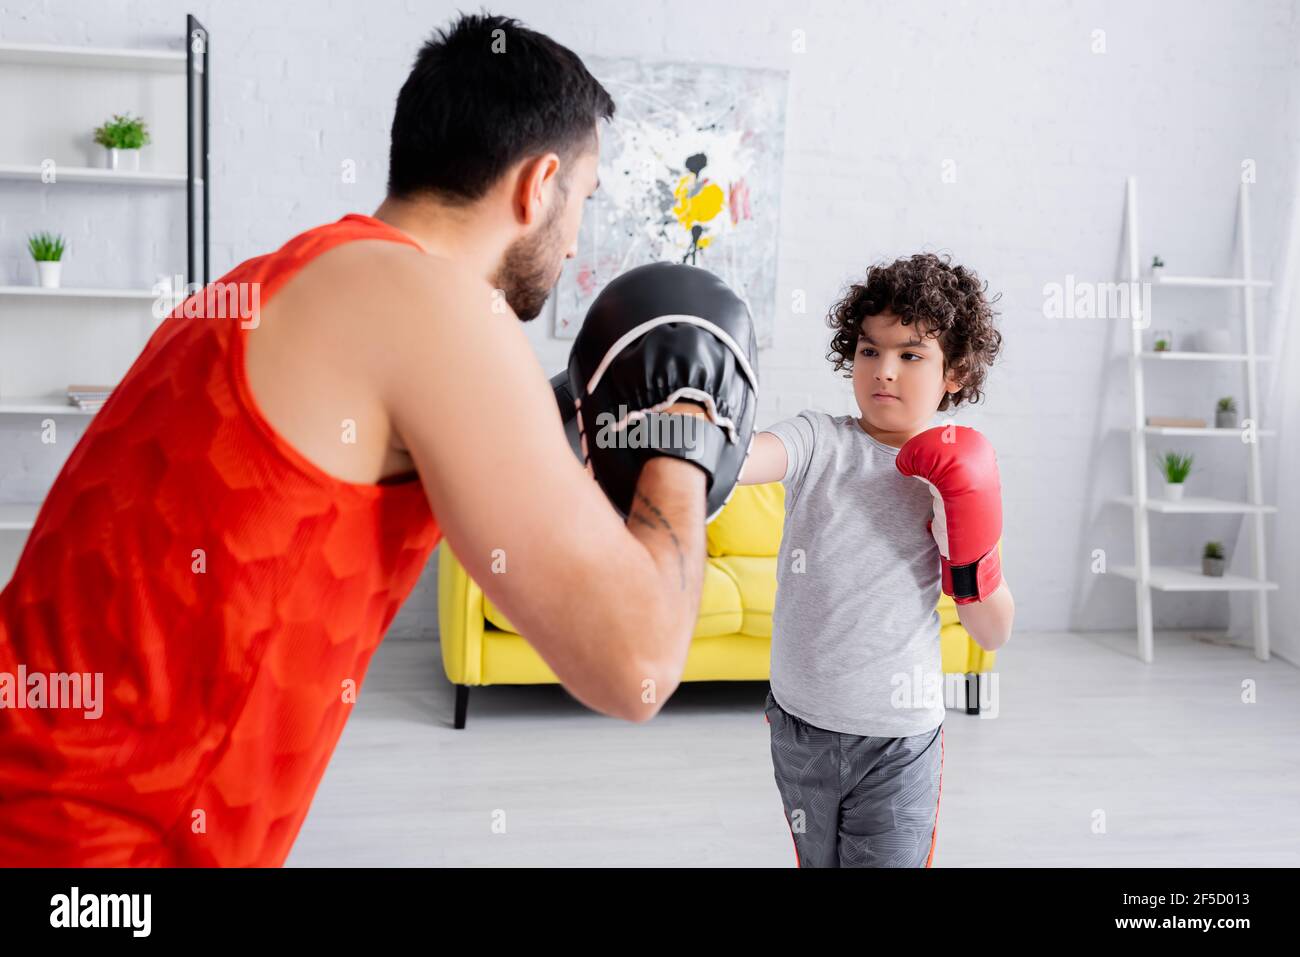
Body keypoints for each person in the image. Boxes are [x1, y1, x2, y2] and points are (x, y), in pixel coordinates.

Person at [0, 13, 752, 867]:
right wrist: (684, 432)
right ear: (539, 183)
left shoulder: (280, 277)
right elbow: (639, 663)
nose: (578, 238)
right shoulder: (445, 311)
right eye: (585, 197)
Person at [738, 253, 1015, 866]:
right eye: (869, 351)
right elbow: (744, 460)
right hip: (800, 724)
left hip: (900, 736)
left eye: (911, 354)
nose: (884, 371)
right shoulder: (819, 441)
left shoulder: (959, 475)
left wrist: (967, 554)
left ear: (955, 373)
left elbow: (992, 632)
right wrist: (695, 427)